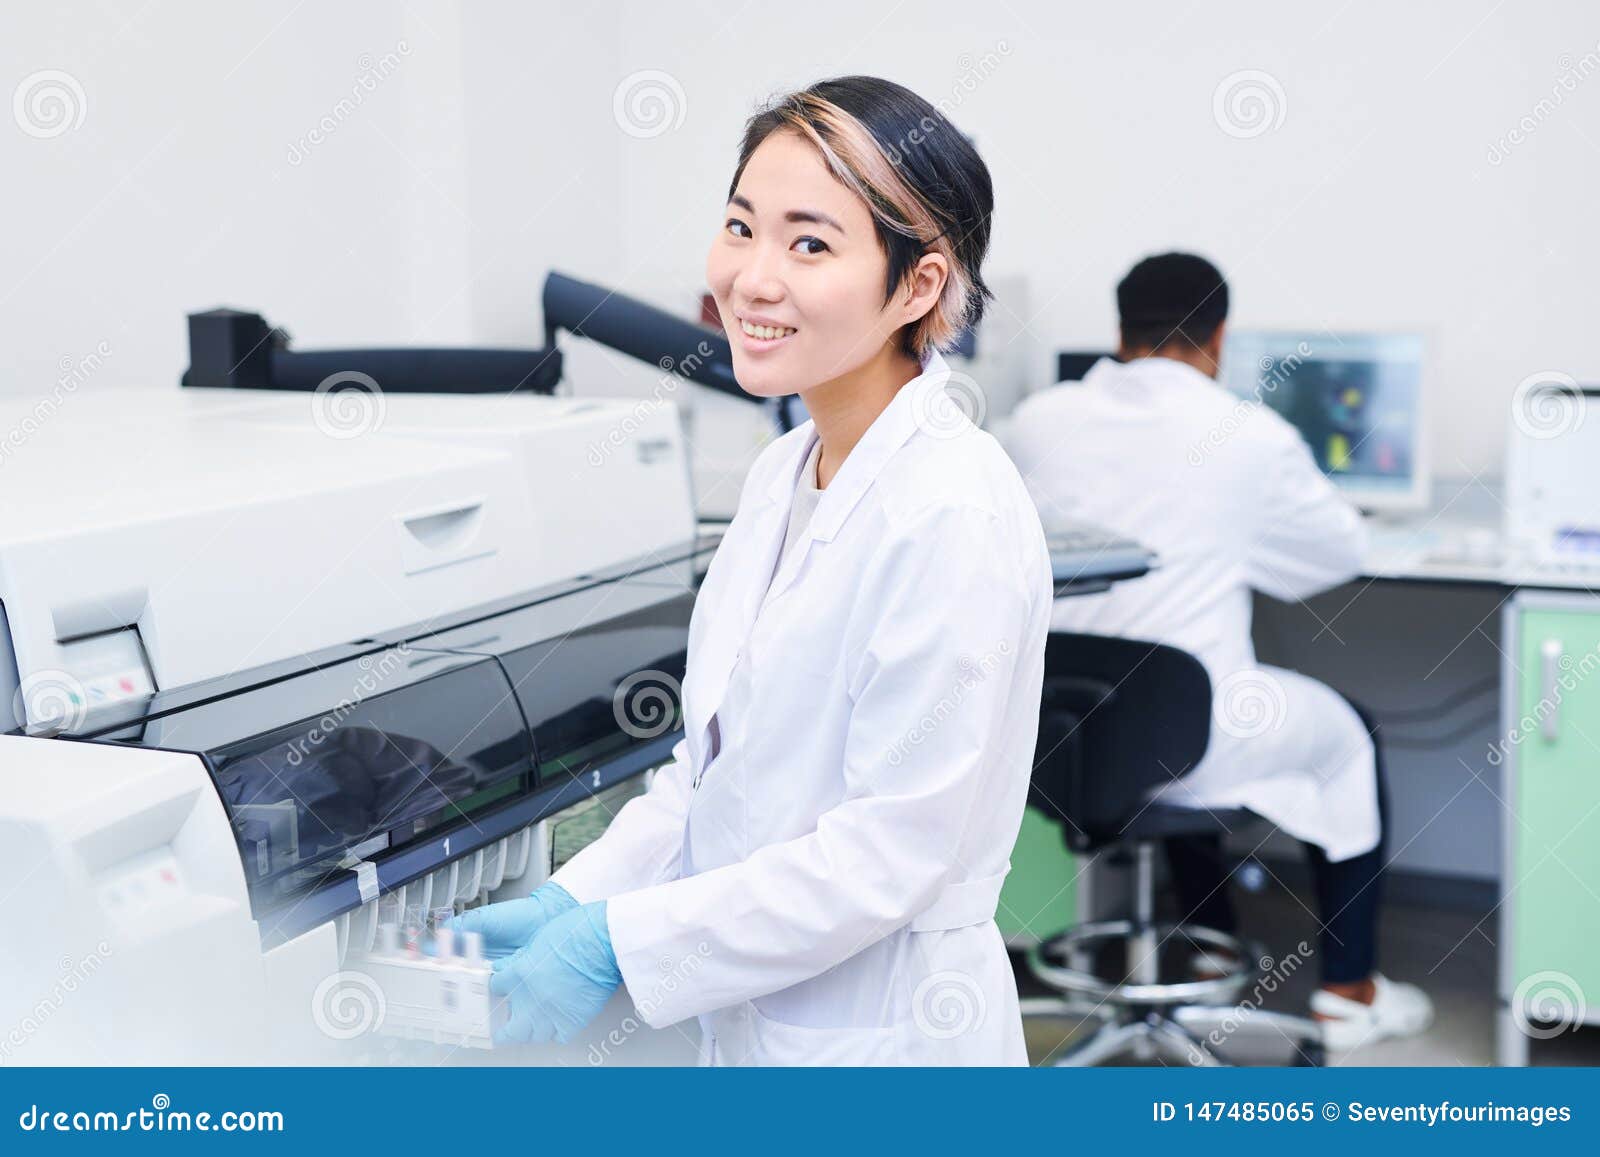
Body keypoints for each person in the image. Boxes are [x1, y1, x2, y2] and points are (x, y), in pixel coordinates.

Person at [457, 76, 1054, 1066]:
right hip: (759, 1019)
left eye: (809, 243)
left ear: (917, 285)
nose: (752, 278)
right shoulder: (786, 471)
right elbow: (708, 778)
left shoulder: (952, 509)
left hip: (887, 1035)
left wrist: (623, 942)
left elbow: (884, 856)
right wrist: (581, 895)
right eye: (741, 227)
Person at [1003, 253, 1432, 1051]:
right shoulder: (1247, 436)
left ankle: (1204, 944)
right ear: (1219, 337)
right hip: (1184, 731)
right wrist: (1236, 543)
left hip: (1055, 739)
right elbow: (1338, 553)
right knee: (1349, 734)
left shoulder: (1035, 421)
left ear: (1119, 328)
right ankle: (1349, 987)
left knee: (1171, 726)